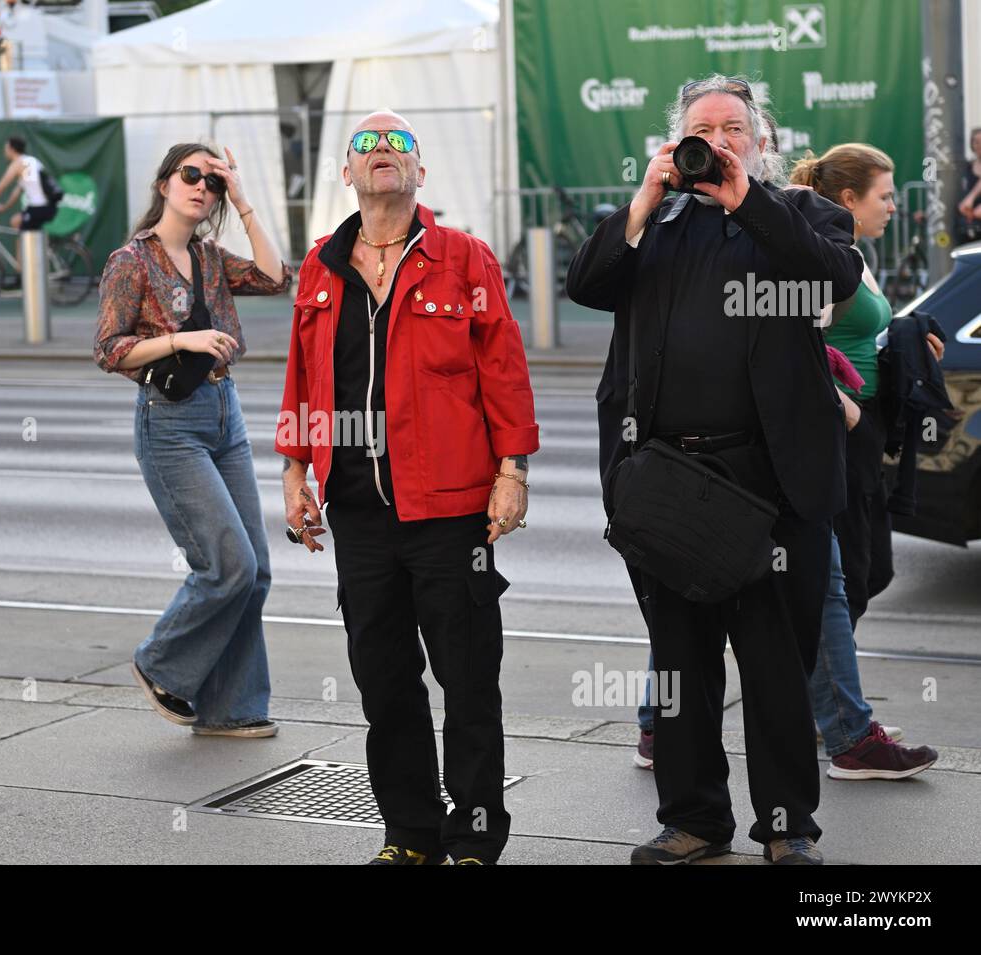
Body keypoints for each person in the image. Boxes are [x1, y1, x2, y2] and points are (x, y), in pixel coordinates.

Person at [568, 75, 863, 865]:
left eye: (735, 127)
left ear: (761, 141)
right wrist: (641, 197)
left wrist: (745, 201)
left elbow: (831, 281)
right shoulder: (656, 222)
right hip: (668, 483)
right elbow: (586, 283)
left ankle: (787, 826)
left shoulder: (800, 214)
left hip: (773, 488)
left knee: (774, 668)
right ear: (676, 141)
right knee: (680, 668)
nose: (721, 139)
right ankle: (693, 819)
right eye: (703, 128)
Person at [277, 111, 538, 865]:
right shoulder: (320, 267)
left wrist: (511, 471)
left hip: (451, 512)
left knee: (468, 679)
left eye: (398, 143)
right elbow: (303, 374)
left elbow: (505, 369)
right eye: (366, 143)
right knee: (385, 683)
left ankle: (474, 838)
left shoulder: (464, 257)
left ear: (420, 172)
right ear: (347, 174)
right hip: (358, 514)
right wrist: (295, 469)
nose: (382, 151)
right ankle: (410, 834)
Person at [94, 143, 291, 737]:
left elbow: (276, 277)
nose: (200, 186)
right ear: (163, 183)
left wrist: (246, 200)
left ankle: (231, 708)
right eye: (190, 174)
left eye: (212, 180)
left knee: (253, 570)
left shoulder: (209, 256)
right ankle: (161, 664)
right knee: (227, 563)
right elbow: (109, 350)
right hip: (171, 421)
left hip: (224, 412)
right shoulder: (131, 261)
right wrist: (183, 341)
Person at [790, 143, 941, 779]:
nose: (892, 206)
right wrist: (842, 405)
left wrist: (905, 337)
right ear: (848, 200)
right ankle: (838, 722)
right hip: (835, 432)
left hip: (858, 429)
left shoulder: (852, 251)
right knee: (841, 577)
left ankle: (835, 714)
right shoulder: (821, 255)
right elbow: (795, 341)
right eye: (884, 195)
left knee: (859, 572)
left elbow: (858, 329)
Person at [0, 136, 57, 233]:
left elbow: (0, 187)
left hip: (39, 208)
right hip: (49, 207)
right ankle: (41, 247)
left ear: (12, 149)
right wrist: (4, 207)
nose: (4, 152)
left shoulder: (18, 164)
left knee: (25, 237)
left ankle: (32, 247)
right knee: (16, 222)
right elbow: (16, 192)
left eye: (6, 149)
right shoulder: (31, 161)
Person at [956, 127, 981, 244]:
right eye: (976, 142)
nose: (979, 145)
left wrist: (970, 199)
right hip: (970, 226)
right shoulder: (967, 168)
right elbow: (962, 204)